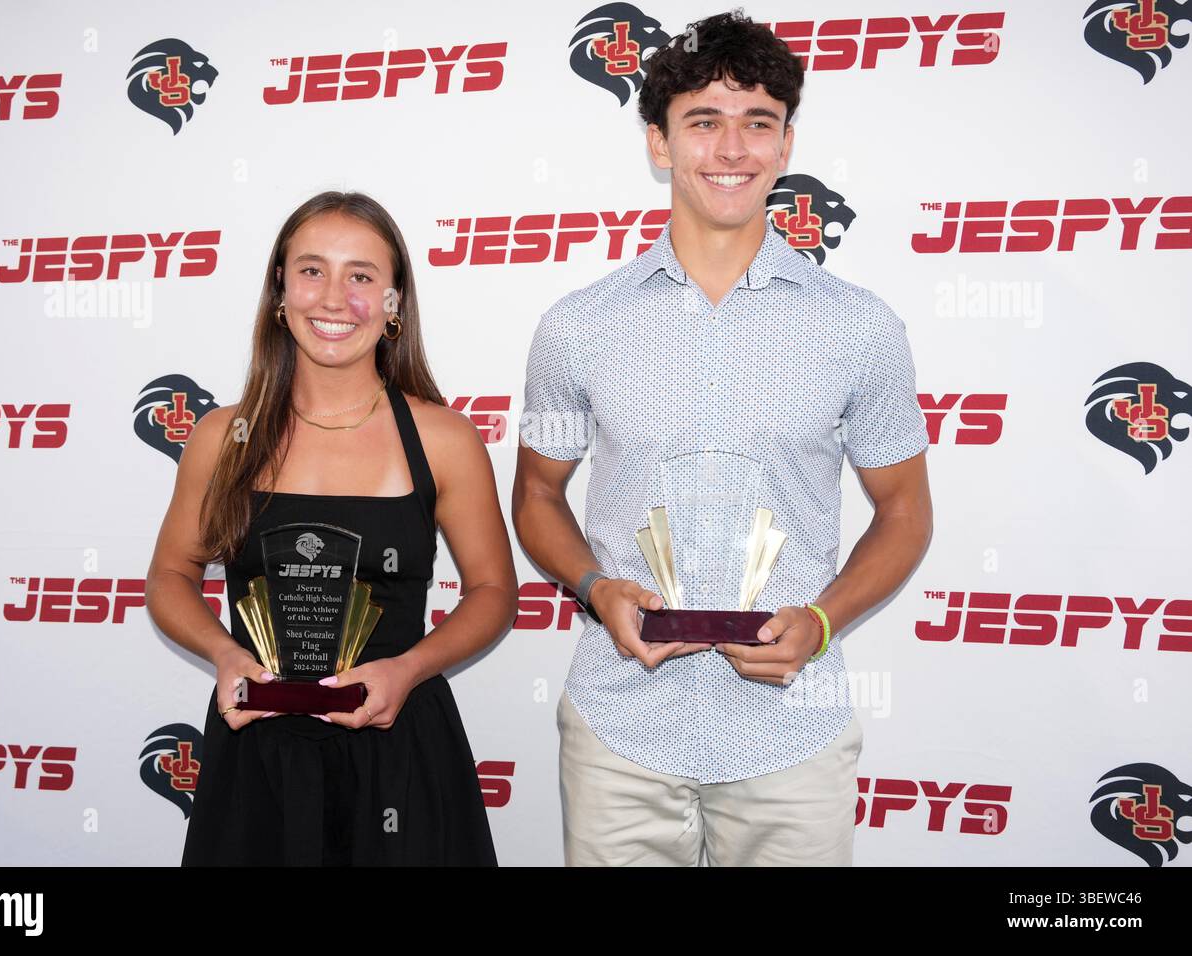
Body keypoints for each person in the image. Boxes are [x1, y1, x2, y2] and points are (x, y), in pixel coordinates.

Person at [513, 12, 933, 866]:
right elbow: (536, 495)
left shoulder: (859, 329)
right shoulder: (577, 328)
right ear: (659, 144)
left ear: (786, 145)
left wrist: (822, 622)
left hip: (790, 738)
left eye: (758, 123)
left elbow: (904, 515)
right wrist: (596, 588)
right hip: (621, 725)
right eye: (703, 121)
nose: (731, 148)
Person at [146, 190, 515, 866]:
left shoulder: (443, 438)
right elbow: (170, 575)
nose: (334, 297)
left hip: (398, 749)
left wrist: (408, 669)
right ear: (279, 290)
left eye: (362, 276)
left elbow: (493, 591)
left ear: (394, 301)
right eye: (313, 270)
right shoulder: (221, 437)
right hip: (258, 750)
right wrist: (226, 656)